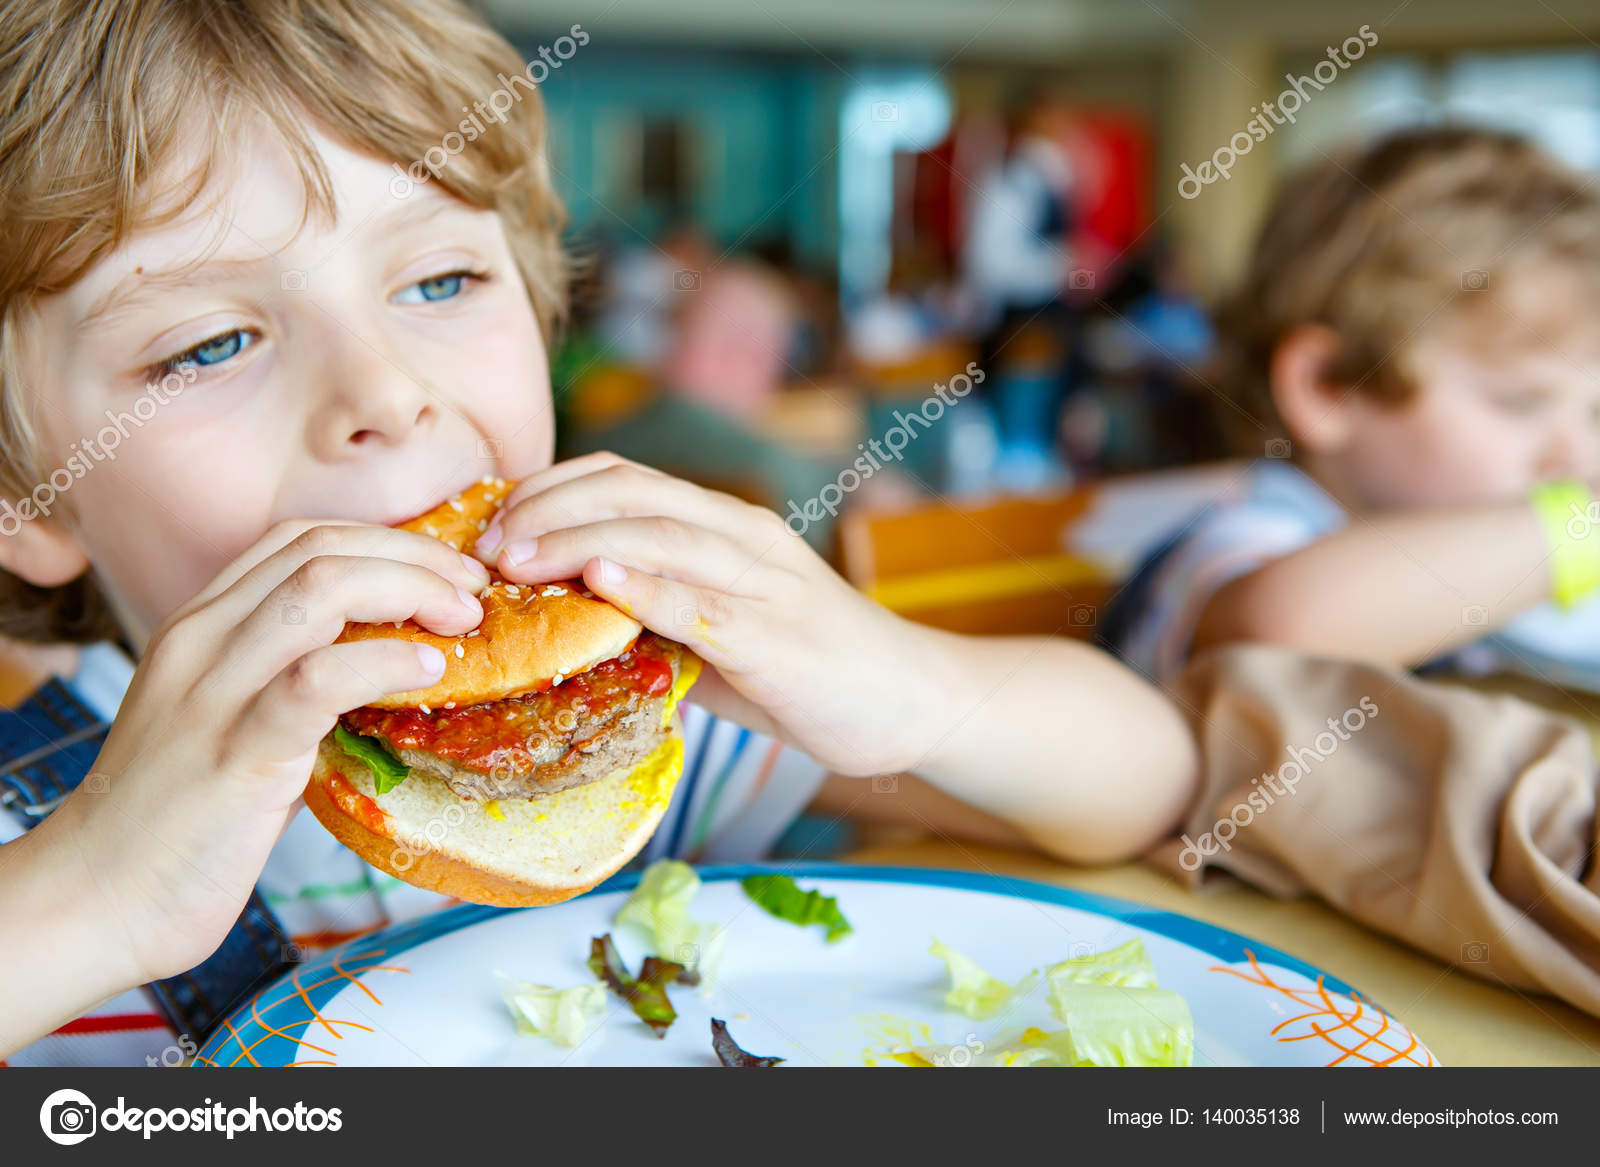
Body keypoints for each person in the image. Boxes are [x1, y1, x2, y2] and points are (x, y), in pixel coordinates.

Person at [0, 0, 1197, 1062]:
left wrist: (906, 681)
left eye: (439, 283)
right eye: (208, 344)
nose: (383, 396)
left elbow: (1147, 783)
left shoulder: (629, 735)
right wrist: (89, 899)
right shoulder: (31, 838)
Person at [1101, 127, 1600, 684]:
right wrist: (1574, 533)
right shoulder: (1254, 534)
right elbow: (1279, 639)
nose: (1577, 455)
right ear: (1329, 388)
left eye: (1596, 414)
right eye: (1521, 403)